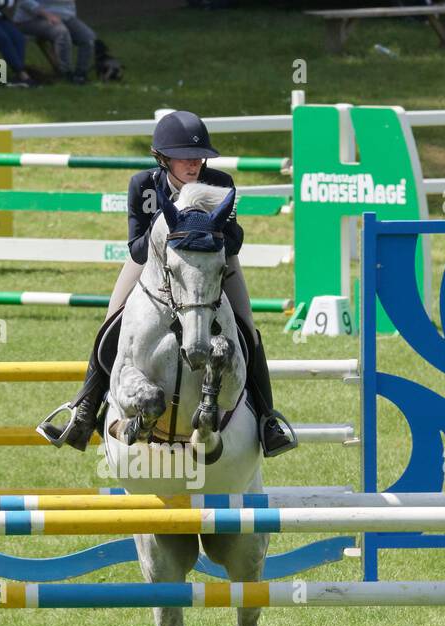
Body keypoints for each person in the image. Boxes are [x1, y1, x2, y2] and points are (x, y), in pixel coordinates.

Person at [38, 110, 298, 457]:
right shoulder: (143, 185)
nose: (194, 164)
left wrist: (214, 229)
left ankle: (268, 419)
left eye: (199, 157)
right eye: (185, 157)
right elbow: (137, 248)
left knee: (248, 327)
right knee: (110, 322)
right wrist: (167, 221)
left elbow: (233, 242)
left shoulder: (220, 184)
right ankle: (84, 410)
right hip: (150, 264)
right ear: (163, 158)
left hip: (210, 265)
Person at [15, 1, 96, 83]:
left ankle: (80, 74)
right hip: (30, 20)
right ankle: (66, 73)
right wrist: (47, 15)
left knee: (88, 38)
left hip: (64, 17)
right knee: (62, 32)